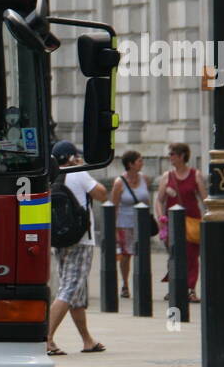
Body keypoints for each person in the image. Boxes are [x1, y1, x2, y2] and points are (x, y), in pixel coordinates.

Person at [47, 140, 107, 356]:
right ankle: (46, 338)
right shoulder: (78, 172)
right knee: (69, 289)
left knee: (76, 293)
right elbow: (102, 193)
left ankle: (87, 340)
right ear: (72, 158)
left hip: (61, 240)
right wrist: (84, 168)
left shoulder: (50, 176)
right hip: (80, 241)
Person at [154, 141, 207, 303]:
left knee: (192, 257)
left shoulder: (195, 175)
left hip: (192, 222)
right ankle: (175, 288)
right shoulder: (167, 177)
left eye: (172, 154)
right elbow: (159, 200)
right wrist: (160, 218)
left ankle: (190, 289)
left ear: (182, 155)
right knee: (174, 256)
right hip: (172, 223)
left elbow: (205, 199)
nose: (170, 157)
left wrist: (206, 218)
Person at [108, 150, 151, 299]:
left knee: (142, 254)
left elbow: (147, 201)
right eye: (139, 160)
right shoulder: (119, 183)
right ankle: (125, 284)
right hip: (124, 224)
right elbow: (113, 206)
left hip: (141, 224)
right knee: (126, 256)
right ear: (130, 164)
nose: (142, 163)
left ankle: (142, 283)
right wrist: (112, 229)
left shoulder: (145, 179)